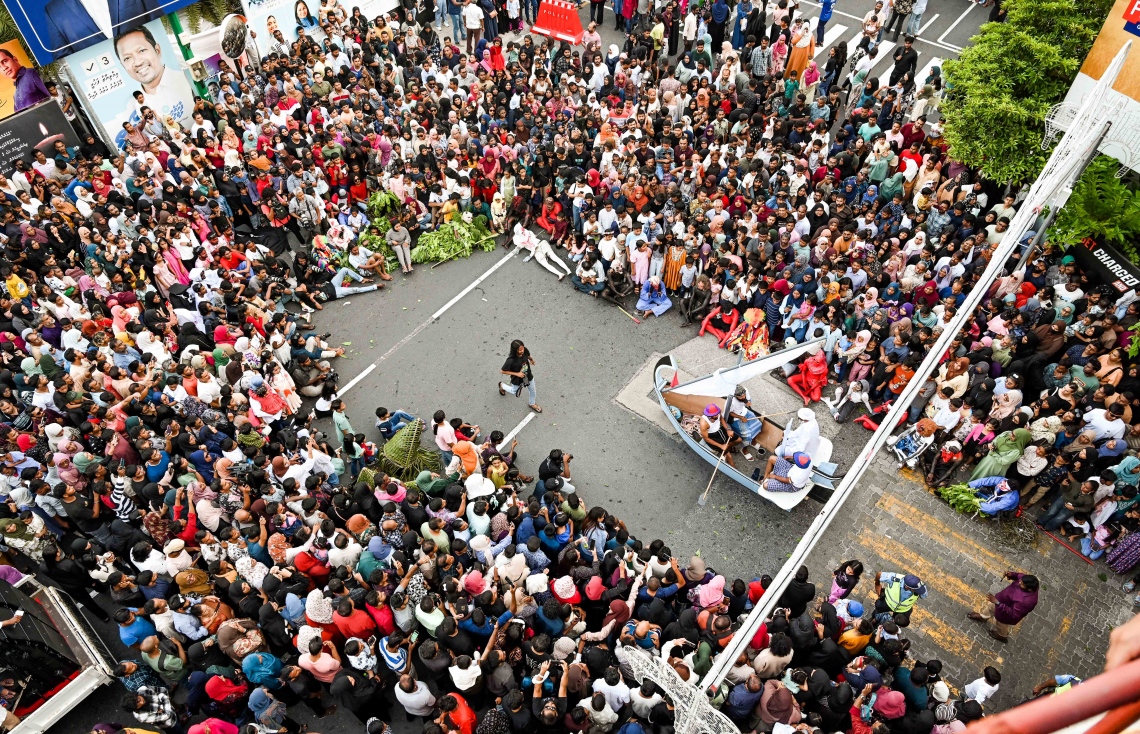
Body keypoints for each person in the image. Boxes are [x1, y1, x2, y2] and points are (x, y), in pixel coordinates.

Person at [113, 26, 195, 124]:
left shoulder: (187, 79)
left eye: (142, 51)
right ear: (123, 65)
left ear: (157, 50)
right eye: (127, 58)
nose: (137, 62)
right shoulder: (132, 106)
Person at [968, 572, 1039, 643]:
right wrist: (1011, 575)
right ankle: (983, 617)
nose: (1019, 582)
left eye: (1022, 584)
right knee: (990, 607)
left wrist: (998, 603)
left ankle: (1002, 635)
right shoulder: (1025, 580)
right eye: (1021, 581)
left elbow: (1013, 613)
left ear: (1030, 589)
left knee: (1000, 625)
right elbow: (1018, 576)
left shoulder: (1026, 602)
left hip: (1005, 615)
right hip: (999, 601)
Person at [498, 339, 541, 413]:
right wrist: (517, 374)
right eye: (520, 350)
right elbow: (502, 371)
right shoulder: (510, 360)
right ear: (515, 350)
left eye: (523, 348)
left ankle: (532, 403)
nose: (522, 351)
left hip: (528, 375)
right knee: (514, 391)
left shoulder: (525, 351)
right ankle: (502, 386)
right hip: (517, 379)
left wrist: (531, 360)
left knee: (532, 390)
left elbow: (528, 355)